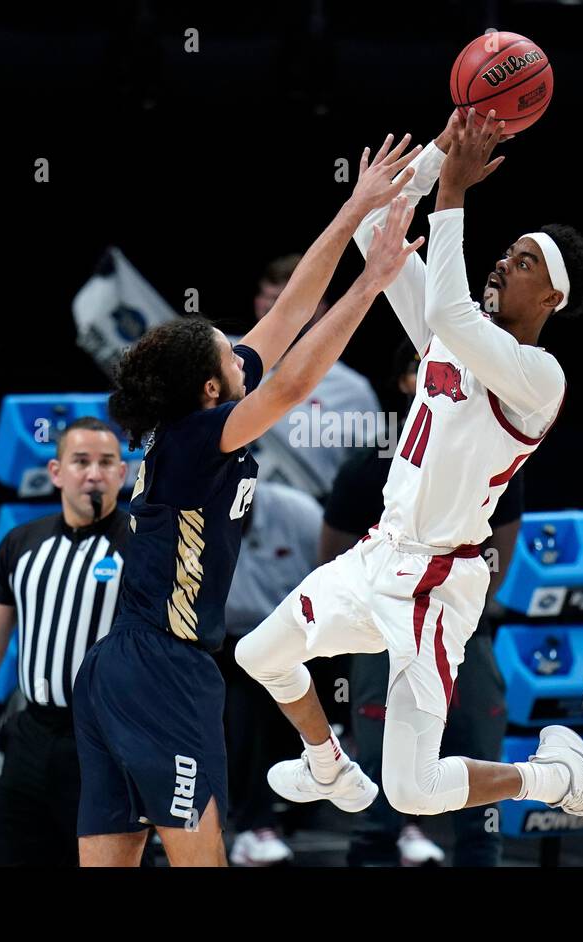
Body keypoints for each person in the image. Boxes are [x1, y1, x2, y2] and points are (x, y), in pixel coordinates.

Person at [236, 109, 583, 841]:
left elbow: (451, 307)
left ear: (551, 298)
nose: (500, 263)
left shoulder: (538, 378)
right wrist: (438, 156)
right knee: (257, 652)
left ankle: (558, 777)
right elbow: (374, 233)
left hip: (434, 582)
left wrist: (454, 193)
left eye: (521, 263)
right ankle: (326, 763)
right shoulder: (447, 335)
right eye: (505, 252)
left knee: (413, 791)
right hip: (377, 554)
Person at [72, 134, 426, 867]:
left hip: (118, 669)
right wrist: (372, 284)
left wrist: (355, 210)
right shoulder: (202, 438)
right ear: (211, 388)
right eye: (230, 355)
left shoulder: (191, 425)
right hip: (167, 670)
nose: (243, 350)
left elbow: (290, 312)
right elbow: (293, 385)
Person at [320, 344, 519, 866]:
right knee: (383, 774)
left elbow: (503, 546)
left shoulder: (491, 454)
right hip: (383, 634)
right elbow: (333, 553)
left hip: (459, 626)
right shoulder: (369, 466)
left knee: (478, 743)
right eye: (421, 369)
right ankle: (375, 844)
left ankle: (482, 850)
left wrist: (456, 616)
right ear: (409, 383)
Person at [0, 418, 131, 866]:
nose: (93, 474)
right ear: (57, 471)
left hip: (107, 741)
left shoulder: (141, 547)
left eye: (105, 462)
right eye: (81, 461)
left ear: (123, 473)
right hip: (33, 735)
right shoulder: (22, 543)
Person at [220, 479, 324, 865]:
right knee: (245, 695)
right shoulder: (184, 518)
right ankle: (253, 826)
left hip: (305, 639)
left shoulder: (300, 514)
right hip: (221, 644)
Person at [246, 253, 382, 502]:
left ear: (322, 308)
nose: (281, 312)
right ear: (258, 302)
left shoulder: (352, 390)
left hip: (307, 518)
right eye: (273, 300)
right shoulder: (223, 358)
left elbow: (373, 471)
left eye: (292, 302)